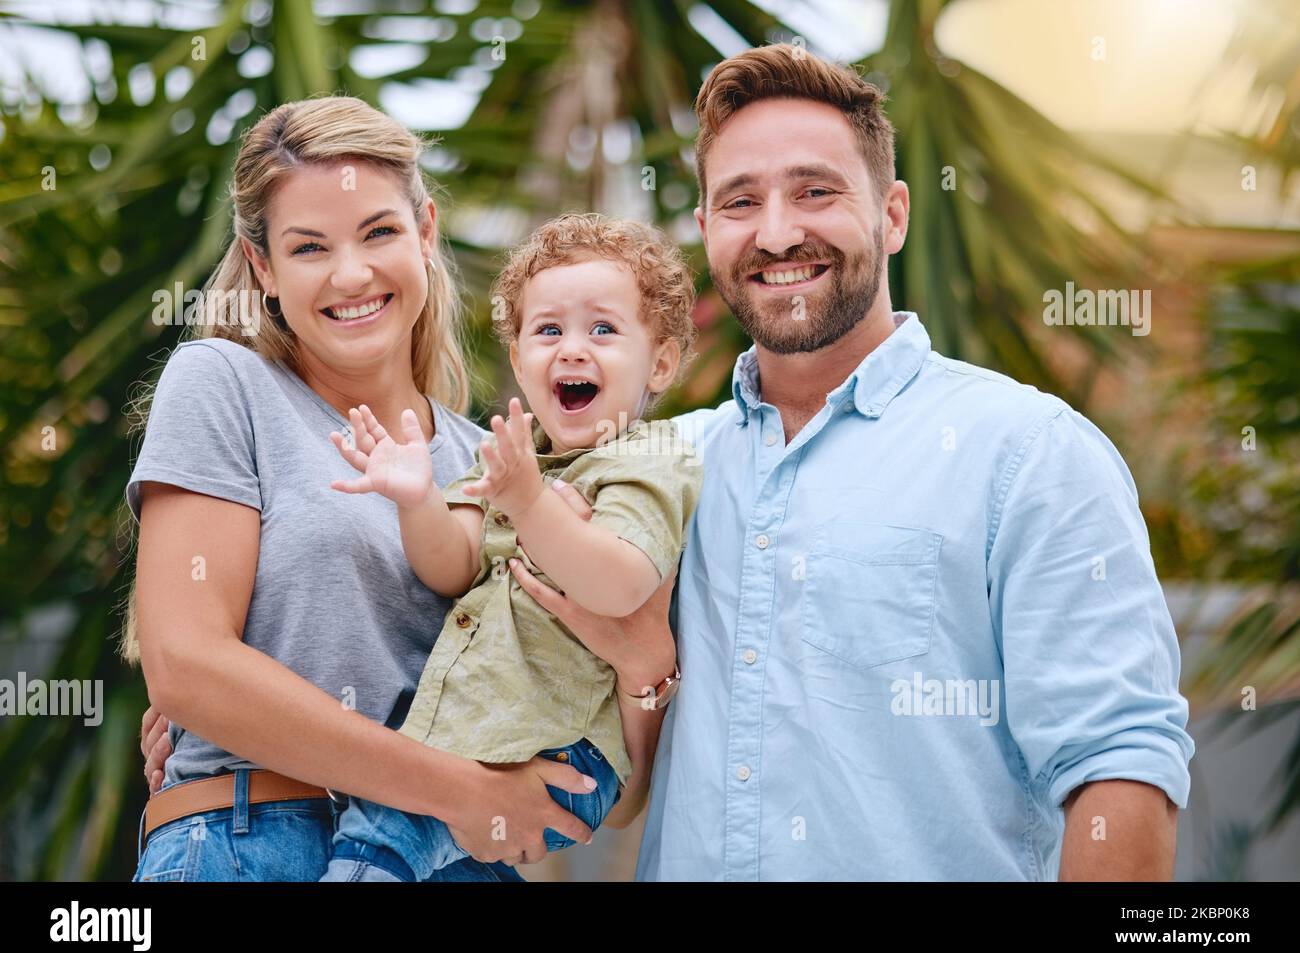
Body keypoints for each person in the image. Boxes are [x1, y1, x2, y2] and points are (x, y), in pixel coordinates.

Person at [624, 43, 1196, 880]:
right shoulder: (664, 468)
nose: (778, 231)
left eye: (815, 191)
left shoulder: (1030, 452)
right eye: (741, 201)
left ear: (892, 215)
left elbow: (1120, 764)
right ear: (707, 232)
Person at [127, 97, 678, 882]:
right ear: (263, 269)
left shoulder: (495, 465)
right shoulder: (225, 385)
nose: (351, 274)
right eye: (309, 246)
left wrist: (644, 671)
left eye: (379, 232)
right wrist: (461, 790)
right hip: (253, 841)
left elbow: (603, 795)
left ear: (424, 233)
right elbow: (187, 669)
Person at [317, 213, 701, 881]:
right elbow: (451, 563)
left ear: (661, 361)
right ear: (521, 359)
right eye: (548, 330)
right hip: (475, 736)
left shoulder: (649, 460)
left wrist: (529, 503)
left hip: (556, 748)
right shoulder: (509, 464)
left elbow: (620, 583)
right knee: (416, 848)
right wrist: (418, 500)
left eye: (603, 329)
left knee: (380, 835)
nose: (573, 348)